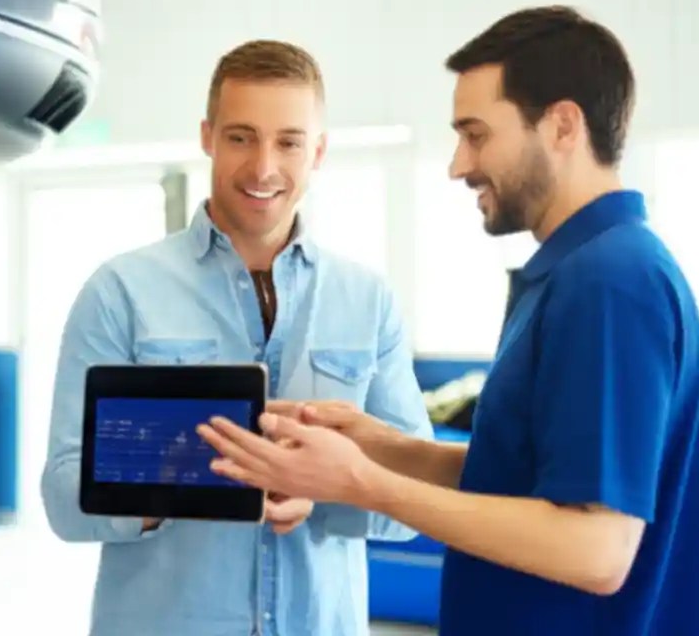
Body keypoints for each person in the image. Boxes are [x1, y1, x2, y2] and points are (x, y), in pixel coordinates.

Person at [198, 6, 699, 636]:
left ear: (561, 125)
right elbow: (528, 475)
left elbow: (596, 551)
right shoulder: (577, 273)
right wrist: (383, 447)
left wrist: (361, 481)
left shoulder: (610, 282)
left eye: (476, 134)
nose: (457, 163)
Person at [40, 39, 434, 636]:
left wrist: (321, 494)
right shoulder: (121, 290)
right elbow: (64, 496)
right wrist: (190, 479)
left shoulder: (368, 300)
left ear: (319, 151)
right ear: (207, 136)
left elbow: (413, 495)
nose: (264, 167)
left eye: (289, 141)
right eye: (241, 137)